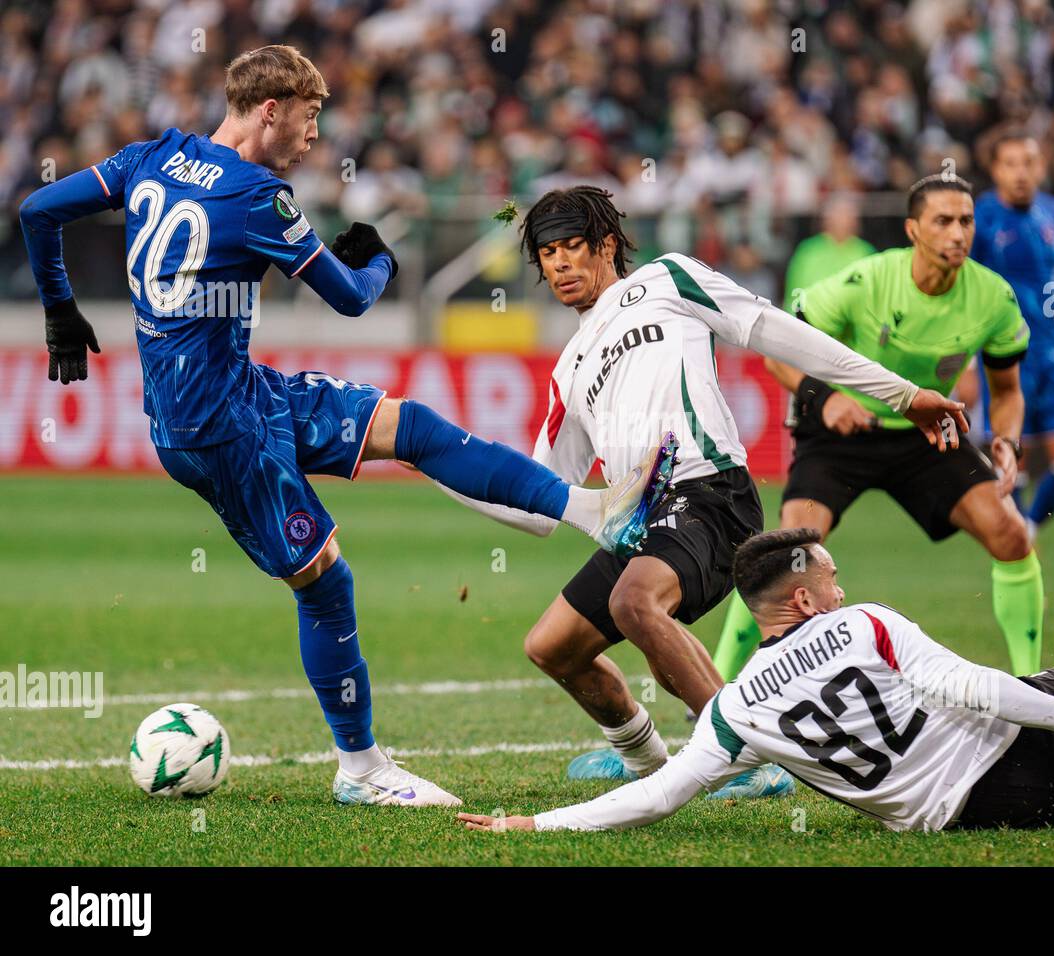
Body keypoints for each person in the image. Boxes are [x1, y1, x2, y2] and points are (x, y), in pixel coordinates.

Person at [19, 46, 676, 808]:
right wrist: (378, 264)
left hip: (242, 392)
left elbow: (38, 210)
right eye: (309, 116)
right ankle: (361, 770)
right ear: (272, 109)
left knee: (412, 427)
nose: (313, 135)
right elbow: (353, 299)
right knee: (326, 583)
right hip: (216, 431)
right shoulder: (259, 196)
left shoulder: (150, 155)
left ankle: (592, 511)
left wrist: (60, 309)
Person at [441, 185, 966, 799]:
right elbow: (533, 506)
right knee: (552, 647)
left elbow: (774, 330)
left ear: (607, 245)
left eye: (572, 246)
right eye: (548, 253)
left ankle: (746, 753)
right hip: (637, 523)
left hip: (709, 491)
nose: (559, 263)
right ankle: (646, 758)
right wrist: (434, 458)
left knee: (633, 603)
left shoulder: (669, 279)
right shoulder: (570, 368)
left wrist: (902, 394)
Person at [459, 528, 1054, 834]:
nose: (842, 589)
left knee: (1035, 713)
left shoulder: (736, 705)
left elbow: (655, 798)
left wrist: (530, 825)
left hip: (973, 820)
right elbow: (973, 685)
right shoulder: (867, 626)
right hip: (1026, 764)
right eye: (830, 577)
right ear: (800, 597)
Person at [712, 173, 1044, 682]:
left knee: (1012, 535)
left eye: (966, 221)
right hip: (840, 434)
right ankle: (715, 690)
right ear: (913, 229)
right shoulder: (864, 282)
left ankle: (1032, 682)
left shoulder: (994, 297)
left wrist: (1007, 440)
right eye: (943, 221)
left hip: (927, 433)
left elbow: (1005, 391)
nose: (958, 233)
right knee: (784, 555)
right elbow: (776, 348)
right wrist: (827, 401)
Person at [968, 130, 1054, 540]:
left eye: (1028, 163)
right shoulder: (980, 218)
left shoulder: (1053, 212)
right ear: (995, 170)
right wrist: (968, 360)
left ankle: (1026, 528)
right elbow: (966, 294)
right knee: (1013, 464)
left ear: (1041, 167)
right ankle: (1019, 544)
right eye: (1010, 164)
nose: (1021, 173)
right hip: (1003, 359)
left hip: (1053, 355)